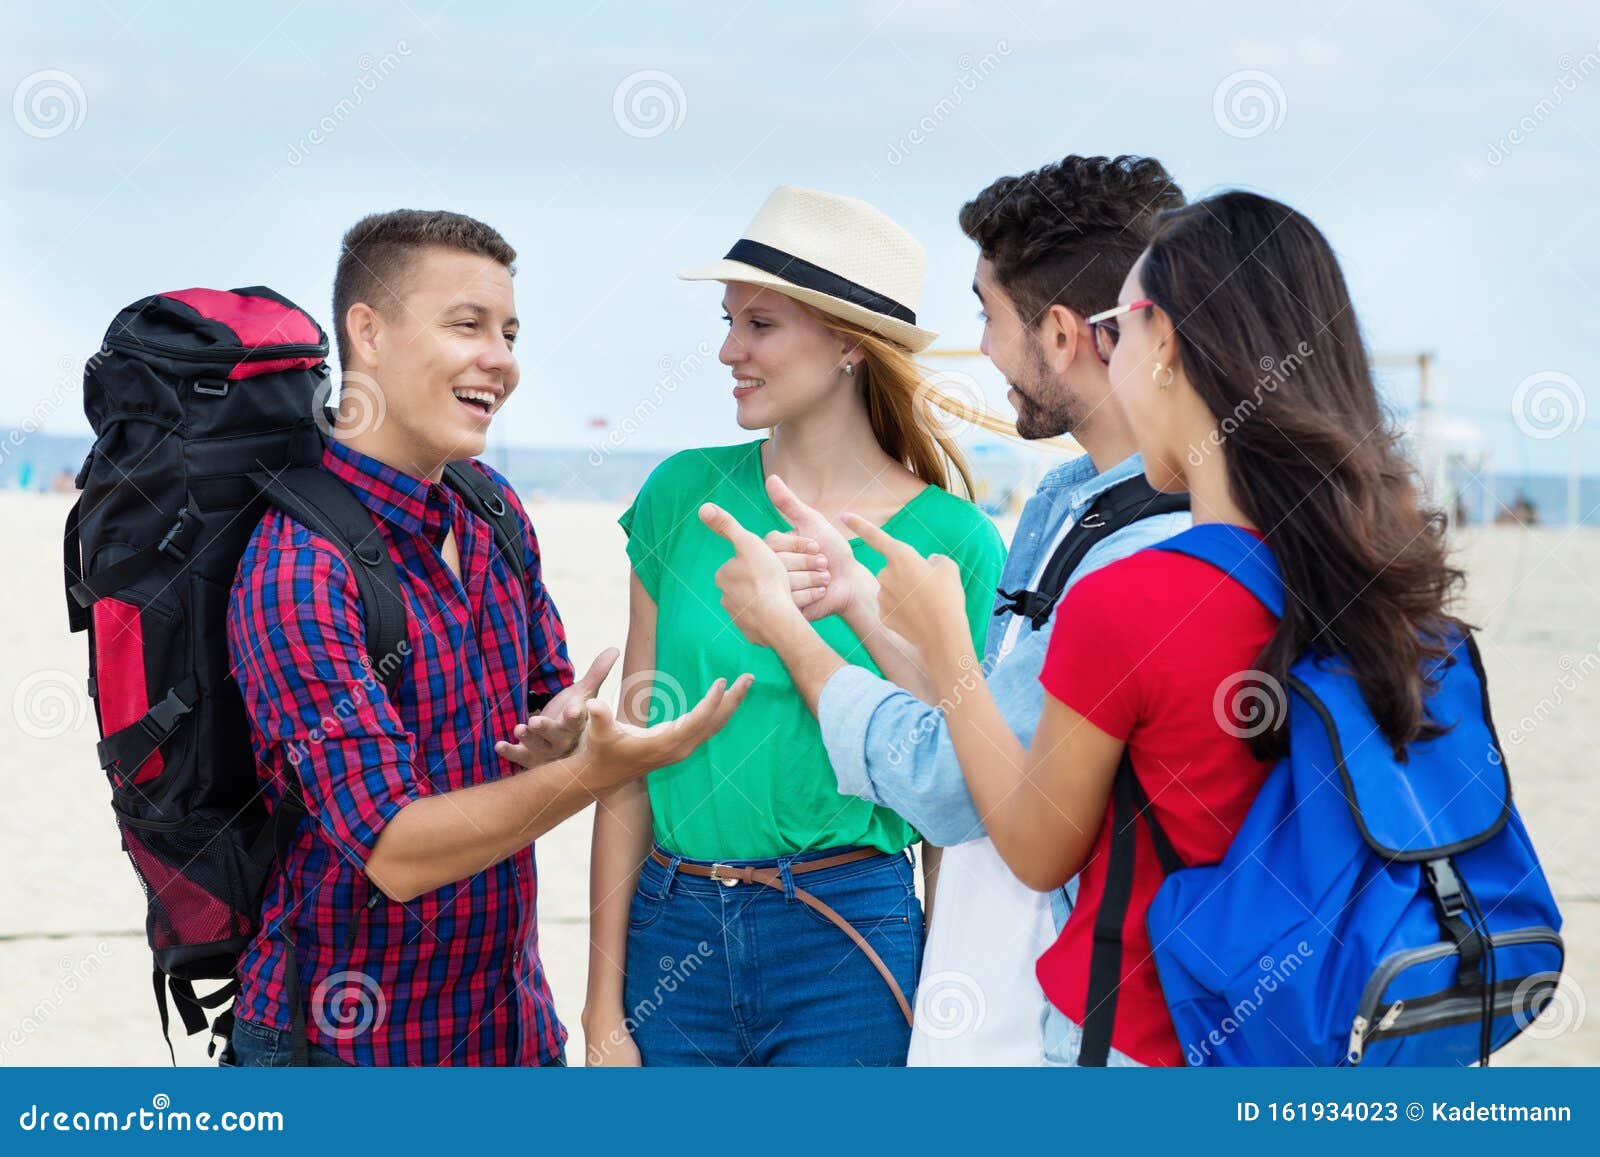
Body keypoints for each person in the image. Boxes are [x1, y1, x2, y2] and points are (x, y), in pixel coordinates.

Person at [854, 189, 1464, 1066]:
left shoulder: (1134, 601)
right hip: (1334, 1031)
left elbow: (1032, 844)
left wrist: (947, 645)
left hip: (1150, 1038)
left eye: (1125, 328)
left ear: (1165, 345)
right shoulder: (1392, 583)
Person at [224, 209, 750, 1067]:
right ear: (369, 333)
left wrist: (561, 734)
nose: (501, 359)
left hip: (510, 1029)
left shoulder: (489, 507)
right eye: (465, 325)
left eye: (508, 331)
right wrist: (595, 774)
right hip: (349, 1053)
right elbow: (394, 850)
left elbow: (544, 699)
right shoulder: (300, 569)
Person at [708, 156, 1191, 1064]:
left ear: (1056, 333)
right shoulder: (1071, 502)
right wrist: (859, 605)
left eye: (986, 314)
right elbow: (999, 732)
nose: (982, 349)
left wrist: (791, 635)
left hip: (1076, 1028)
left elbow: (958, 786)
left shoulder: (1138, 552)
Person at [583, 186, 1005, 1067]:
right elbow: (628, 763)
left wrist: (948, 1021)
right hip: (672, 929)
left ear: (848, 340)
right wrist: (601, 1012)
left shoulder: (955, 542)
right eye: (729, 320)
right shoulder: (678, 495)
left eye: (761, 324)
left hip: (850, 938)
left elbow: (953, 800)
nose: (729, 350)